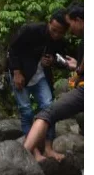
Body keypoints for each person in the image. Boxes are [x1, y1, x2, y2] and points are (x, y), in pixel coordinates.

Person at [23, 4, 84, 161]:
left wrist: (78, 71)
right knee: (39, 113)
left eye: (70, 25)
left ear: (79, 20)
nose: (69, 30)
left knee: (45, 114)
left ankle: (23, 157)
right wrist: (76, 66)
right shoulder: (33, 31)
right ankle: (31, 154)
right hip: (80, 90)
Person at [6, 9, 69, 137]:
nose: (56, 35)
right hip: (22, 73)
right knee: (26, 111)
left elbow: (62, 59)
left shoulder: (60, 41)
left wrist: (53, 61)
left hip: (41, 76)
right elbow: (13, 49)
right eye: (53, 30)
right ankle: (31, 149)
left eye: (60, 32)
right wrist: (16, 73)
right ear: (49, 23)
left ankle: (47, 144)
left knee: (49, 108)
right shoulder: (31, 30)